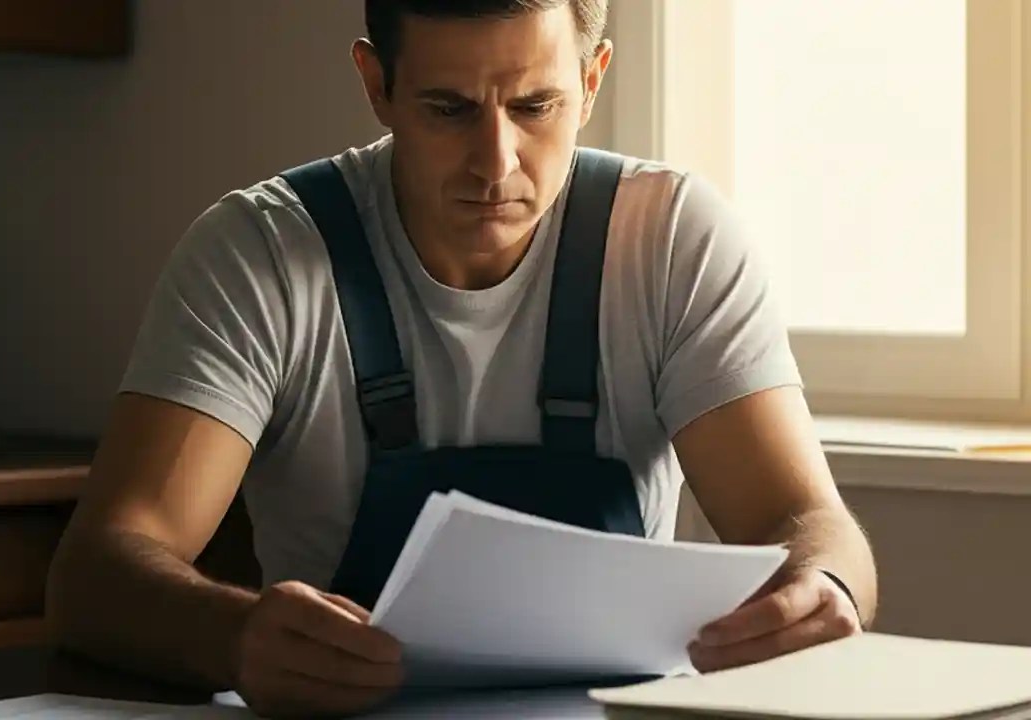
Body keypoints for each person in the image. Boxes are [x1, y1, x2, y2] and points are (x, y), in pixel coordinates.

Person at [46, 1, 878, 717]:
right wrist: (232, 637)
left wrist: (826, 589)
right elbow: (99, 571)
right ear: (378, 85)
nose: (496, 163)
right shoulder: (258, 253)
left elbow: (805, 524)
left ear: (592, 80)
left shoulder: (674, 242)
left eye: (535, 105)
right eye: (449, 109)